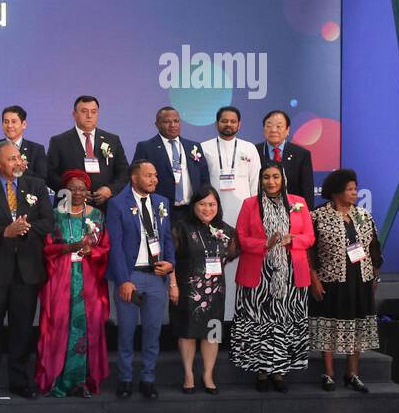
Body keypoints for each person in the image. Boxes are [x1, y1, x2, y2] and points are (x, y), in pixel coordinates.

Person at [0, 143, 53, 399]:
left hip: (27, 270)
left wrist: (24, 229)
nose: (18, 162)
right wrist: (4, 232)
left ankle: (20, 380)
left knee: (21, 328)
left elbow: (48, 222)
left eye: (19, 157)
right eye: (12, 159)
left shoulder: (36, 186)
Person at [230, 163, 315, 392]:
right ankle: (261, 372)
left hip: (291, 275)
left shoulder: (299, 203)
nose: (271, 181)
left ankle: (279, 373)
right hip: (259, 274)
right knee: (260, 324)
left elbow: (309, 237)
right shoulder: (250, 204)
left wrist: (293, 240)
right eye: (266, 177)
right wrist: (264, 244)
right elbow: (241, 237)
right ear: (260, 180)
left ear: (283, 178)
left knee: (285, 323)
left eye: (275, 176)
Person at [35, 170, 110, 397]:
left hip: (89, 280)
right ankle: (58, 380)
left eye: (81, 188)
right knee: (58, 327)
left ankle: (83, 381)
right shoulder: (55, 215)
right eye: (72, 188)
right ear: (64, 190)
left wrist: (92, 251)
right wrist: (67, 248)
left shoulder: (96, 215)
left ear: (87, 191)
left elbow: (105, 246)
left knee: (89, 328)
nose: (77, 192)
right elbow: (46, 248)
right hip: (61, 279)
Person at [106, 160, 176, 399]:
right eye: (149, 176)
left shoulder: (162, 202)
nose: (154, 180)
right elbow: (114, 246)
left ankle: (148, 379)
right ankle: (125, 379)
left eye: (155, 175)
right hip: (131, 276)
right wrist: (123, 280)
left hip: (156, 276)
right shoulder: (117, 204)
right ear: (134, 179)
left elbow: (167, 238)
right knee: (126, 332)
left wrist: (171, 264)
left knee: (153, 332)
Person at [309, 169, 381, 392]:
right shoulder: (318, 216)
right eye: (350, 189)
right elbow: (309, 252)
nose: (355, 193)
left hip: (360, 279)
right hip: (331, 279)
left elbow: (374, 247)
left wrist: (375, 274)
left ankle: (352, 373)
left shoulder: (363, 215)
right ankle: (329, 373)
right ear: (336, 191)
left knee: (358, 325)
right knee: (328, 326)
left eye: (355, 189)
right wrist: (314, 280)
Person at [167, 186, 237, 394]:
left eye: (212, 204)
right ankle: (188, 374)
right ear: (194, 205)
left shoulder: (226, 230)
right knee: (187, 332)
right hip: (187, 291)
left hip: (215, 291)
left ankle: (208, 375)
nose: (207, 208)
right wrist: (173, 285)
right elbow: (170, 259)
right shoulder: (180, 228)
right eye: (202, 204)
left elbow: (230, 255)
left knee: (212, 334)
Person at [200, 105, 261, 320]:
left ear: (239, 124)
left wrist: (254, 218)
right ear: (217, 123)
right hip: (212, 218)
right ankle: (216, 319)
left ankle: (237, 319)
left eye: (233, 121)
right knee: (216, 267)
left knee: (238, 268)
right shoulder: (204, 148)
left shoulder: (249, 149)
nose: (228, 124)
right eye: (224, 121)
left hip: (242, 218)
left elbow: (255, 187)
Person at [46, 95, 128, 208]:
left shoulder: (112, 140)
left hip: (106, 204)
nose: (89, 116)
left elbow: (123, 172)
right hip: (69, 206)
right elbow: (50, 174)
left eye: (93, 112)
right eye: (84, 111)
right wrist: (73, 192)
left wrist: (110, 189)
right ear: (74, 114)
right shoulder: (59, 141)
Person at [132, 106, 209, 207]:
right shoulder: (146, 147)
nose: (173, 125)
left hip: (192, 209)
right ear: (157, 124)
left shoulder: (193, 146)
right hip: (161, 208)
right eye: (167, 122)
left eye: (176, 121)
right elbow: (136, 179)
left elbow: (204, 178)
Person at [0, 105, 48, 186]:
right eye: (6, 122)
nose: (9, 126)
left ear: (24, 124)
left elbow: (42, 178)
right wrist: (5, 174)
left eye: (13, 121)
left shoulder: (37, 150)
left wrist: (21, 171)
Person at [258, 109, 314, 200]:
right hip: (261, 207)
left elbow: (307, 189)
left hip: (292, 208)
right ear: (264, 129)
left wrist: (305, 212)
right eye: (269, 126)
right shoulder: (253, 151)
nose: (273, 130)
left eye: (279, 126)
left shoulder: (301, 154)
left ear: (287, 130)